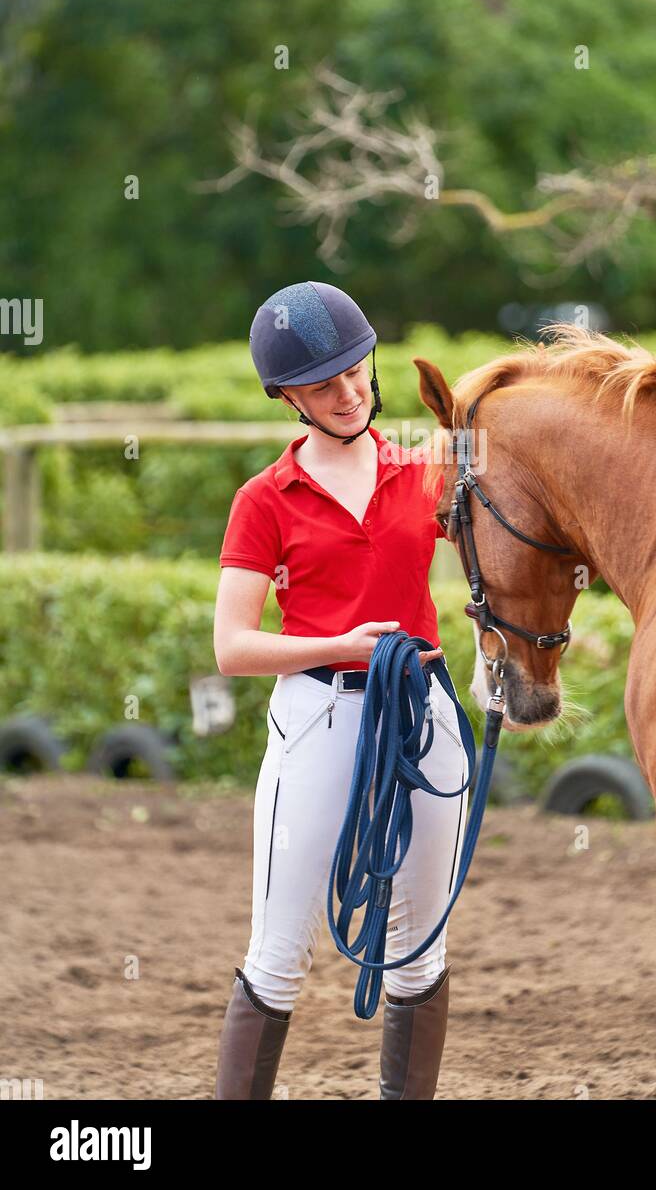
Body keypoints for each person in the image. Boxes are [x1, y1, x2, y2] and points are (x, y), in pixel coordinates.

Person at [212, 281, 468, 1101]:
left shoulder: (424, 473)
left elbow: (491, 569)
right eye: (325, 385)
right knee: (279, 953)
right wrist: (340, 645)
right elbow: (232, 646)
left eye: (356, 371)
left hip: (421, 711)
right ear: (288, 398)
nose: (350, 392)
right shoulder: (264, 500)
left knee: (421, 945)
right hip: (318, 714)